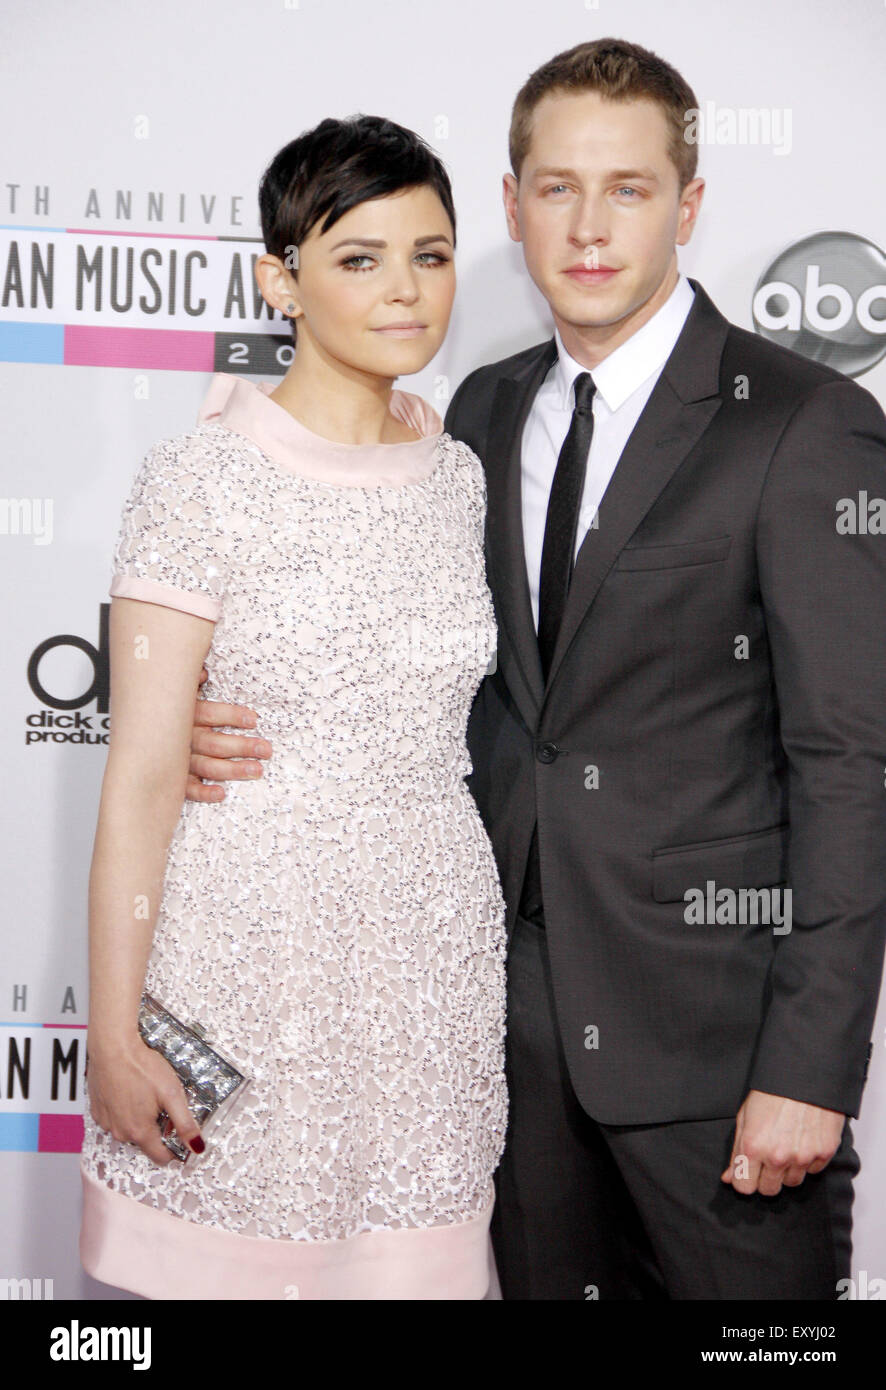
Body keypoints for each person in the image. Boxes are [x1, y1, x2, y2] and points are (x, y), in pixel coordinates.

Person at [188, 39, 886, 1299]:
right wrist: (201, 726)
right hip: (496, 1042)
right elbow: (407, 666)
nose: (589, 225)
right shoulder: (476, 413)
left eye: (627, 188)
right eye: (556, 188)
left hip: (719, 1055)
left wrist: (810, 1067)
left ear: (689, 204)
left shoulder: (799, 421)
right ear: (510, 208)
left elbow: (851, 762)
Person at [79, 115, 508, 1301]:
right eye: (358, 257)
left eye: (429, 254)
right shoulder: (200, 476)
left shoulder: (460, 474)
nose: (405, 289)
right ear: (283, 279)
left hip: (432, 959)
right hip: (247, 948)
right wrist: (113, 1038)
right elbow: (145, 777)